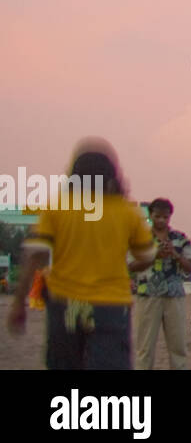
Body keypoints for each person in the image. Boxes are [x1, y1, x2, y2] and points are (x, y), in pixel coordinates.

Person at [6, 138, 156, 370]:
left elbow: (35, 257)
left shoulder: (57, 207)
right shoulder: (128, 212)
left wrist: (18, 304)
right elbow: (146, 257)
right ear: (112, 175)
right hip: (111, 305)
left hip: (66, 303)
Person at [131, 197, 191, 370]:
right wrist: (154, 255)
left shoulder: (180, 238)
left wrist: (175, 255)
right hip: (147, 295)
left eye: (165, 217)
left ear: (170, 217)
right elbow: (131, 265)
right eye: (157, 216)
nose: (161, 220)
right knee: (144, 347)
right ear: (150, 215)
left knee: (178, 347)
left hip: (173, 296)